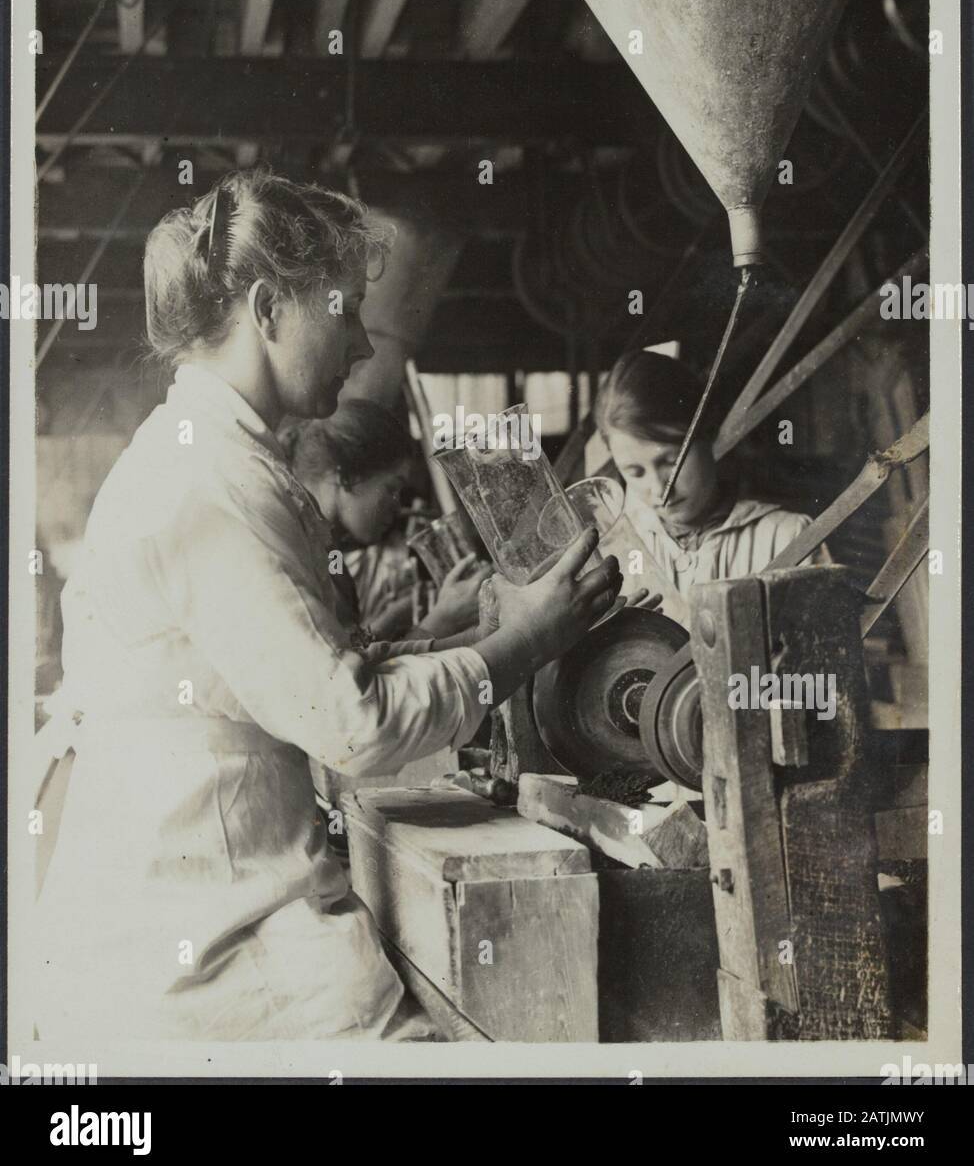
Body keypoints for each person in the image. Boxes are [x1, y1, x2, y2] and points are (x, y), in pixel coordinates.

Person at [34, 167, 621, 1044]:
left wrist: (481, 633)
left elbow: (322, 667)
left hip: (209, 892)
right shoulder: (210, 485)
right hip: (209, 943)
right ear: (269, 311)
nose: (360, 346)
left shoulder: (215, 456)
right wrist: (530, 640)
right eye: (344, 310)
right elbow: (353, 722)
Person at [594, 349, 823, 625]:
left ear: (708, 432)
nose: (659, 489)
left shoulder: (787, 539)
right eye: (635, 472)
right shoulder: (611, 553)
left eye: (671, 462)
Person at [278, 405, 489, 641]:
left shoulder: (329, 551)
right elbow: (353, 674)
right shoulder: (305, 552)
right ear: (346, 477)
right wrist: (442, 622)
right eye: (391, 488)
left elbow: (353, 647)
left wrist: (392, 617)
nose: (397, 506)